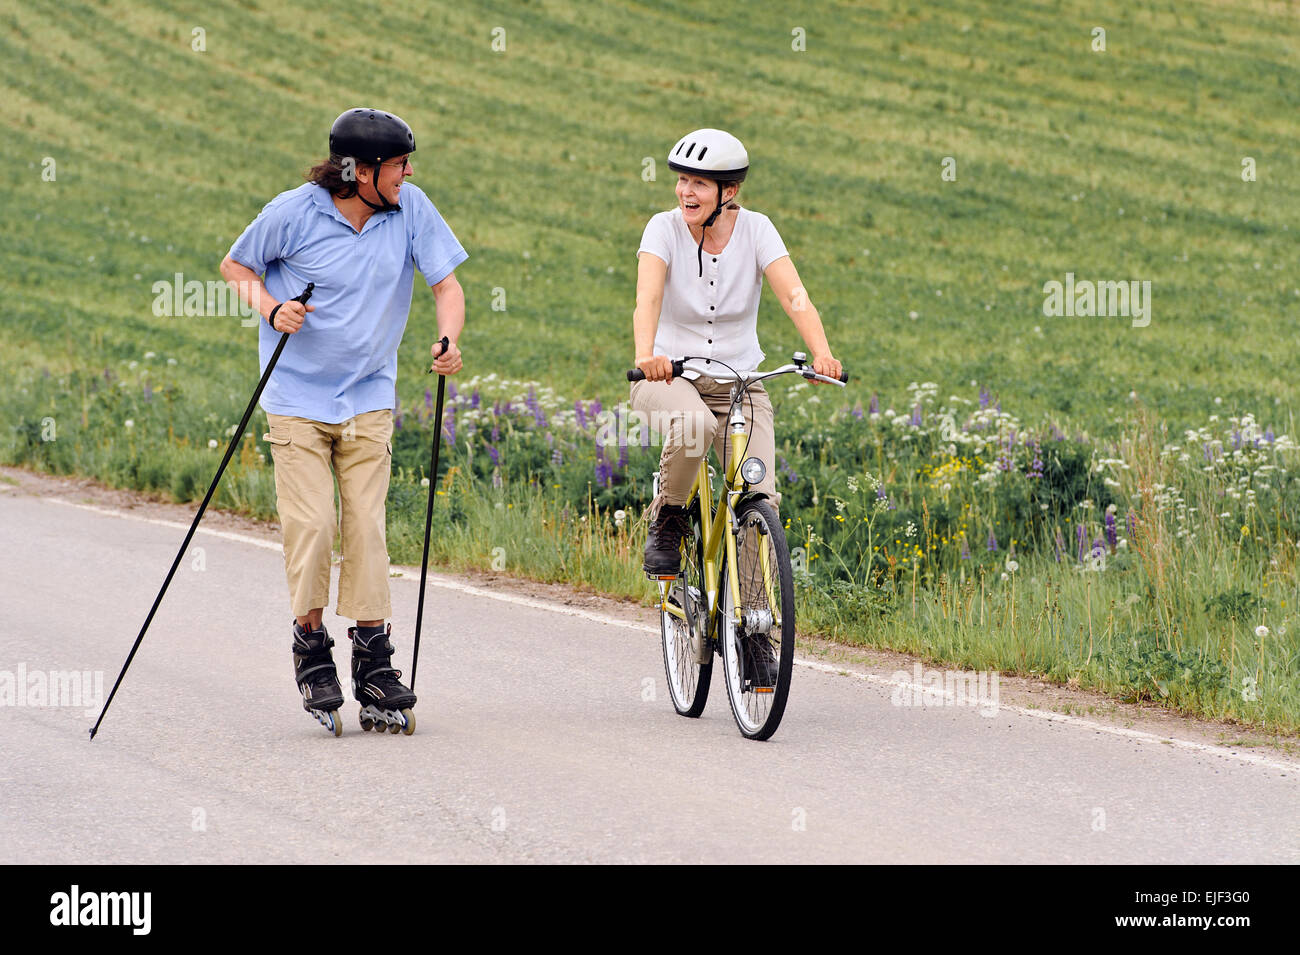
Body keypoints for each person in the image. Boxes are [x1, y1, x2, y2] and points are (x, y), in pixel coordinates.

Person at [219, 107, 467, 735]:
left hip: (368, 398)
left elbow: (447, 285)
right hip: (297, 399)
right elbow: (236, 267)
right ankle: (310, 645)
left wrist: (447, 338)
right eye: (399, 164)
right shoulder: (295, 212)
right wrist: (272, 308)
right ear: (360, 171)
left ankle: (374, 657)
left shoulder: (410, 209)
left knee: (366, 529)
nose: (408, 173)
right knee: (314, 526)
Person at [631, 128, 842, 578]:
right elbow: (647, 298)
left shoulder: (757, 229)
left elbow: (794, 296)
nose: (686, 191)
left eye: (699, 183)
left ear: (730, 191)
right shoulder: (662, 228)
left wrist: (821, 352)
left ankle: (755, 630)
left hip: (742, 385)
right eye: (682, 180)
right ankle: (668, 519)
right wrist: (646, 353)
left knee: (757, 500)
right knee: (694, 424)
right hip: (668, 379)